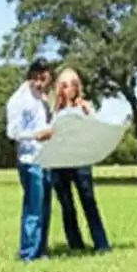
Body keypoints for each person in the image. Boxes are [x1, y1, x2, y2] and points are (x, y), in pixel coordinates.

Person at [50, 68, 111, 254]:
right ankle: (75, 244)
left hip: (81, 162)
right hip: (59, 162)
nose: (70, 88)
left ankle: (101, 244)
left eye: (74, 84)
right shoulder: (52, 110)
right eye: (65, 84)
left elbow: (95, 131)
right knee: (67, 206)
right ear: (59, 87)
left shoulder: (85, 107)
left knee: (89, 202)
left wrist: (88, 113)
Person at [5, 58, 56, 262]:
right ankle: (28, 253)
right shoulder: (19, 100)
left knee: (44, 207)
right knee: (33, 207)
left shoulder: (43, 99)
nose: (42, 81)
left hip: (45, 158)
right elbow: (12, 131)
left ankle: (41, 249)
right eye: (38, 76)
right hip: (29, 159)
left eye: (45, 77)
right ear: (32, 75)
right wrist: (36, 135)